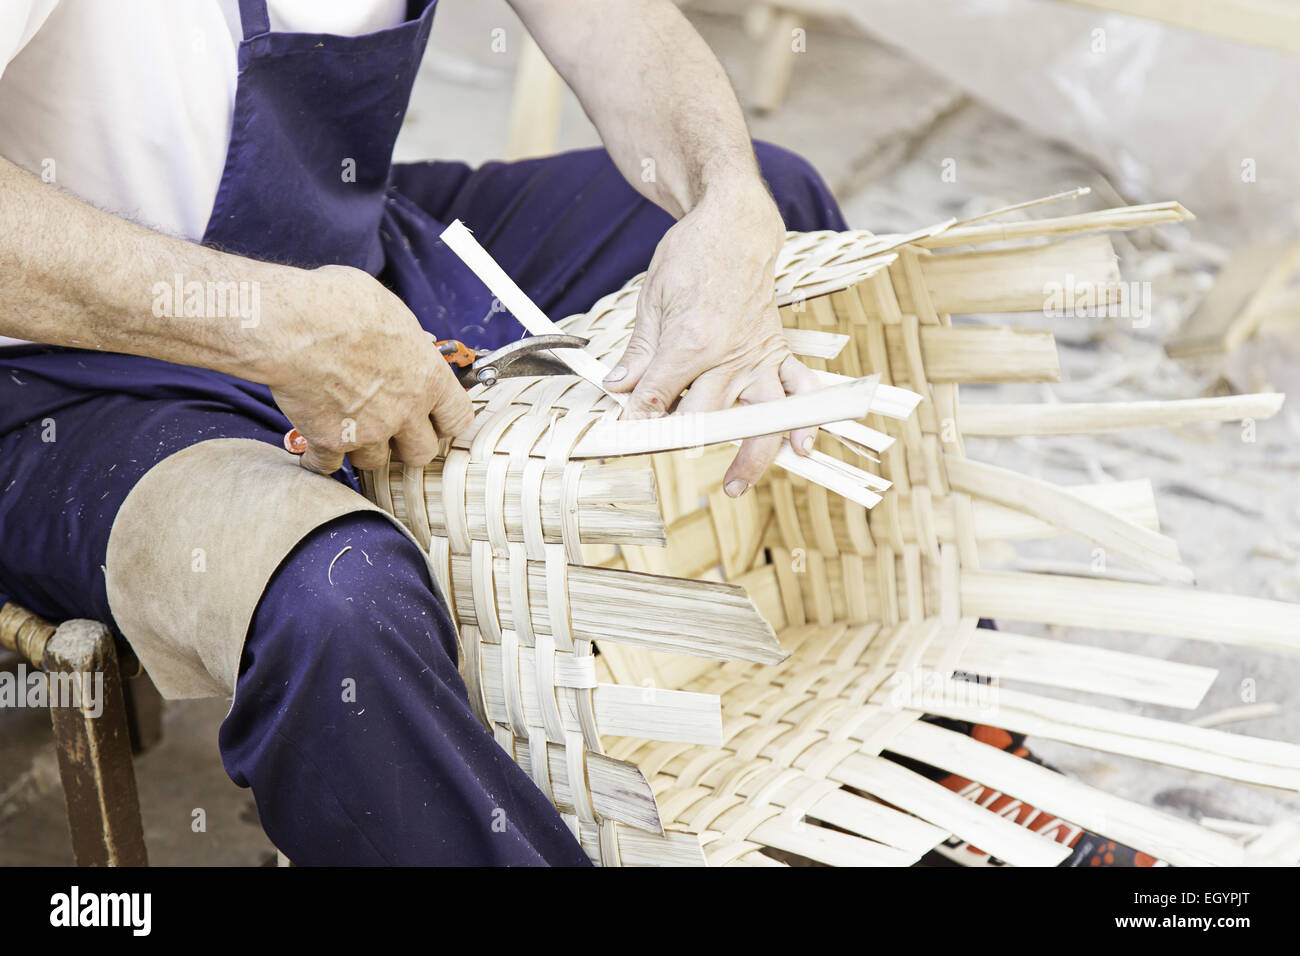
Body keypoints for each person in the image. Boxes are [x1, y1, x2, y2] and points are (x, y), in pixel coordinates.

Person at [0, 0, 848, 864]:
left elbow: (607, 23)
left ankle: (857, 743)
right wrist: (274, 326)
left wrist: (726, 200)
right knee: (338, 599)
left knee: (779, 208)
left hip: (349, 267)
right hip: (65, 375)